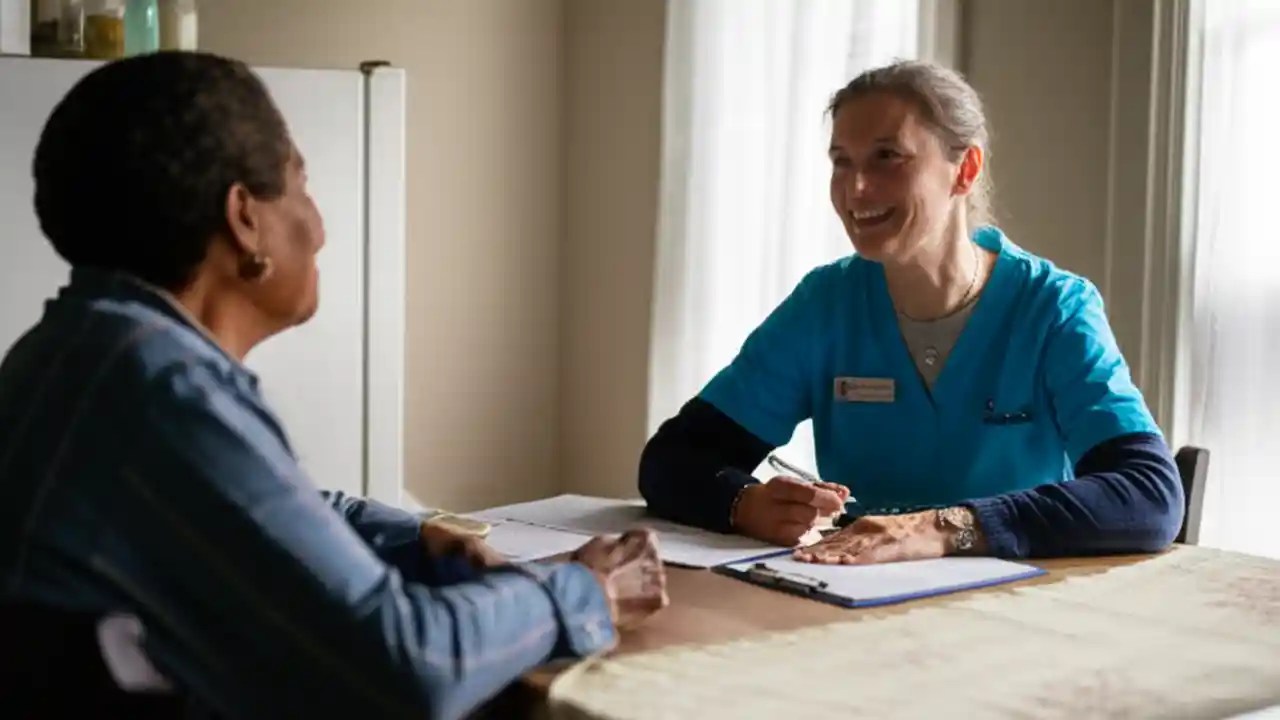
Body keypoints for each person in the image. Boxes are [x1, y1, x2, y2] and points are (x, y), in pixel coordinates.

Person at [0, 52, 666, 719]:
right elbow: (405, 664)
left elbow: (268, 509)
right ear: (244, 218)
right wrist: (582, 592)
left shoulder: (75, 354)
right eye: (300, 185)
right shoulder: (163, 391)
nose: (319, 227)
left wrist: (417, 536)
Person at [639, 60, 1183, 565]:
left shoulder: (1054, 308)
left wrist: (943, 528)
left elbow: (1149, 495)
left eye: (887, 158)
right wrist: (747, 503)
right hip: (853, 600)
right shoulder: (826, 306)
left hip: (1019, 617)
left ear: (964, 169)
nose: (855, 189)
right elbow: (671, 459)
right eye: (841, 162)